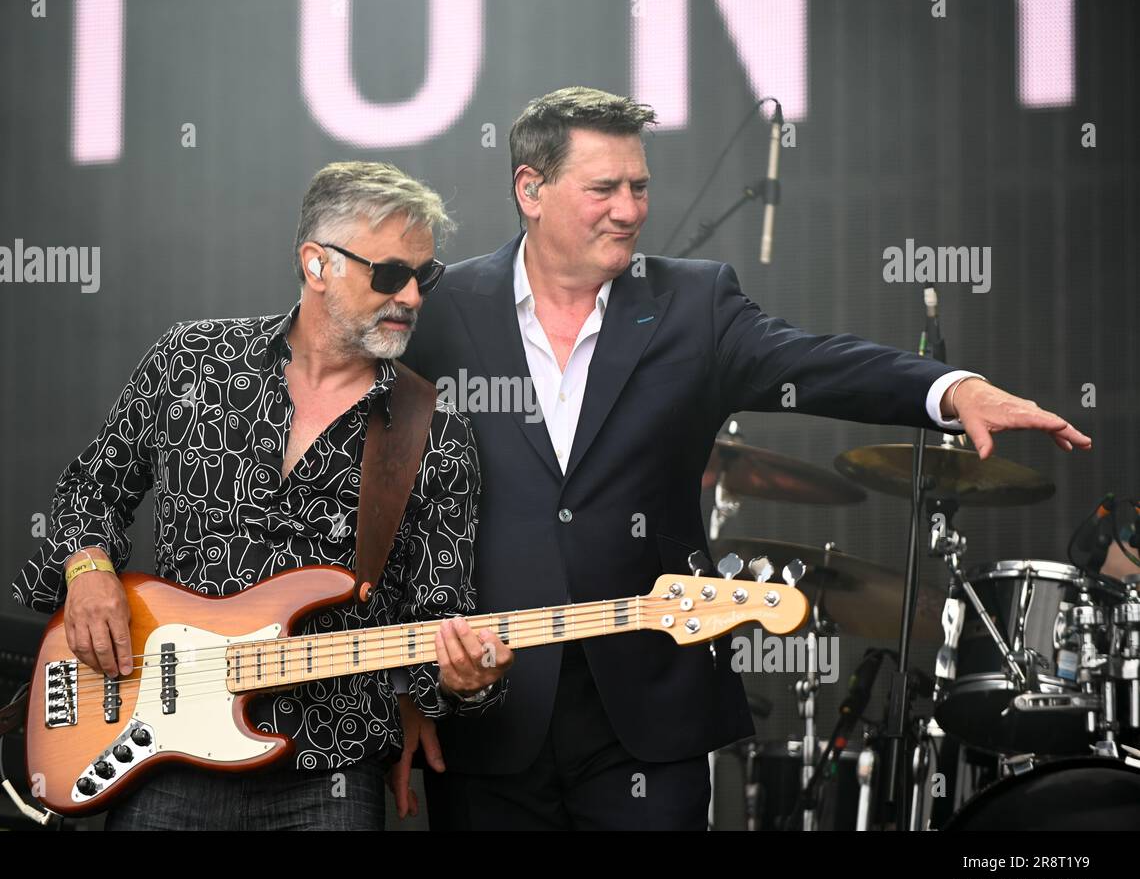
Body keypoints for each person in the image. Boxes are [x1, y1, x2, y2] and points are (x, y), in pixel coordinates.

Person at [398, 86, 1092, 830]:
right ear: (529, 190)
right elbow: (386, 502)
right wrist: (410, 688)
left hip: (650, 711)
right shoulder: (442, 308)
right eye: (604, 189)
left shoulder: (693, 302)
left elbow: (817, 363)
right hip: (489, 714)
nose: (630, 210)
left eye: (640, 187)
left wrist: (952, 390)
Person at [11, 161, 512, 830]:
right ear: (317, 264)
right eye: (389, 275)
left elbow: (440, 616)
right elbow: (89, 490)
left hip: (327, 771)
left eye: (426, 276)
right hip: (160, 755)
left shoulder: (436, 431)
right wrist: (88, 568)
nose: (413, 297)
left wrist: (461, 679)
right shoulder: (191, 361)